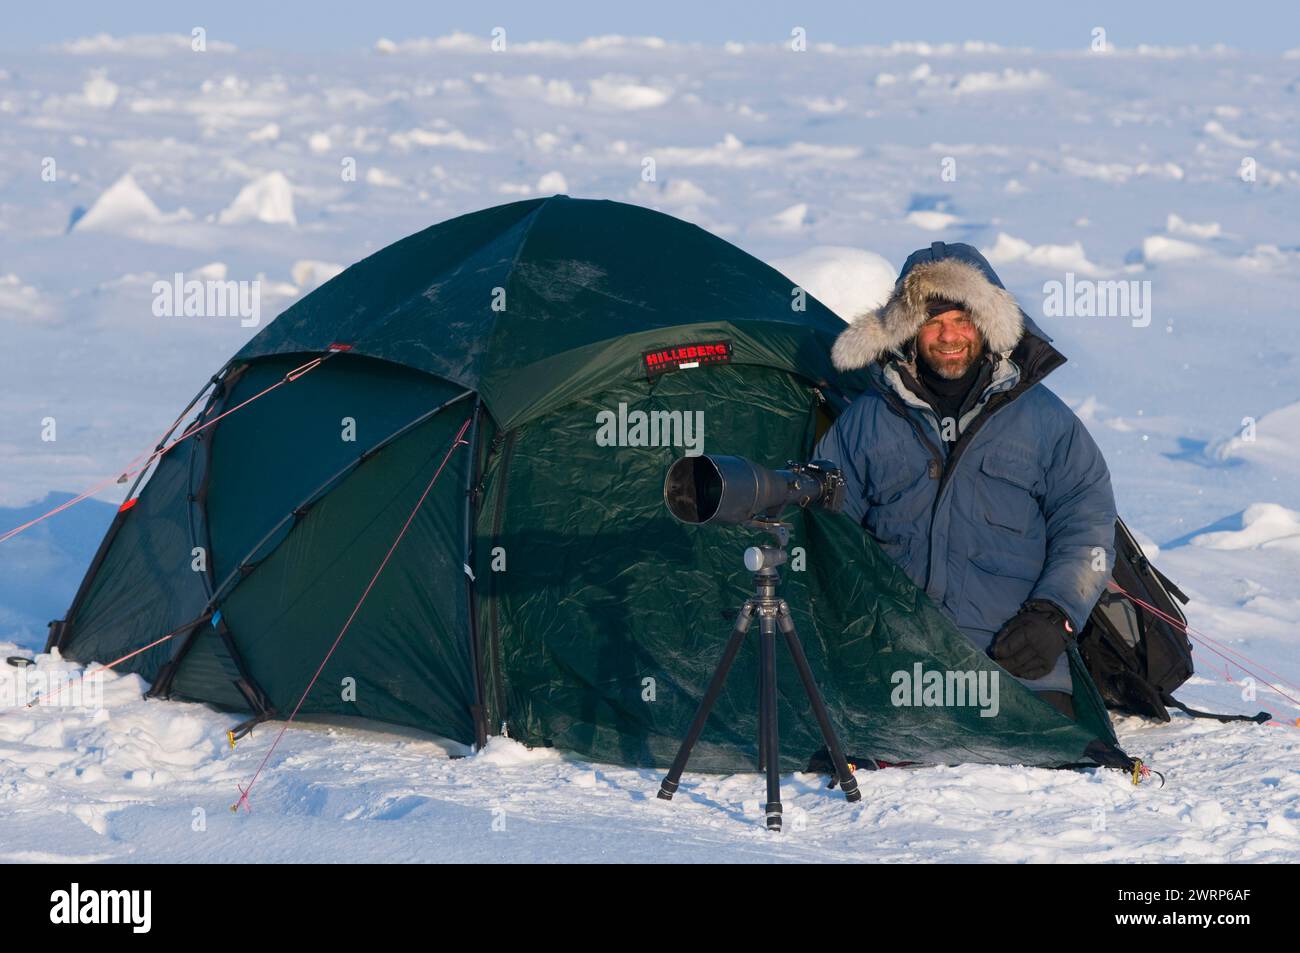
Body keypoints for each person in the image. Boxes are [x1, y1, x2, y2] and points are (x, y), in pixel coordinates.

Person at [815, 241, 1117, 719]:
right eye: (933, 321)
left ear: (987, 324)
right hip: (898, 656)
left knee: (1035, 760)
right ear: (909, 331)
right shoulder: (864, 422)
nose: (949, 335)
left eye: (962, 319)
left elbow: (1088, 528)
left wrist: (1053, 616)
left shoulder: (1046, 420)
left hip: (1012, 660)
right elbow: (827, 533)